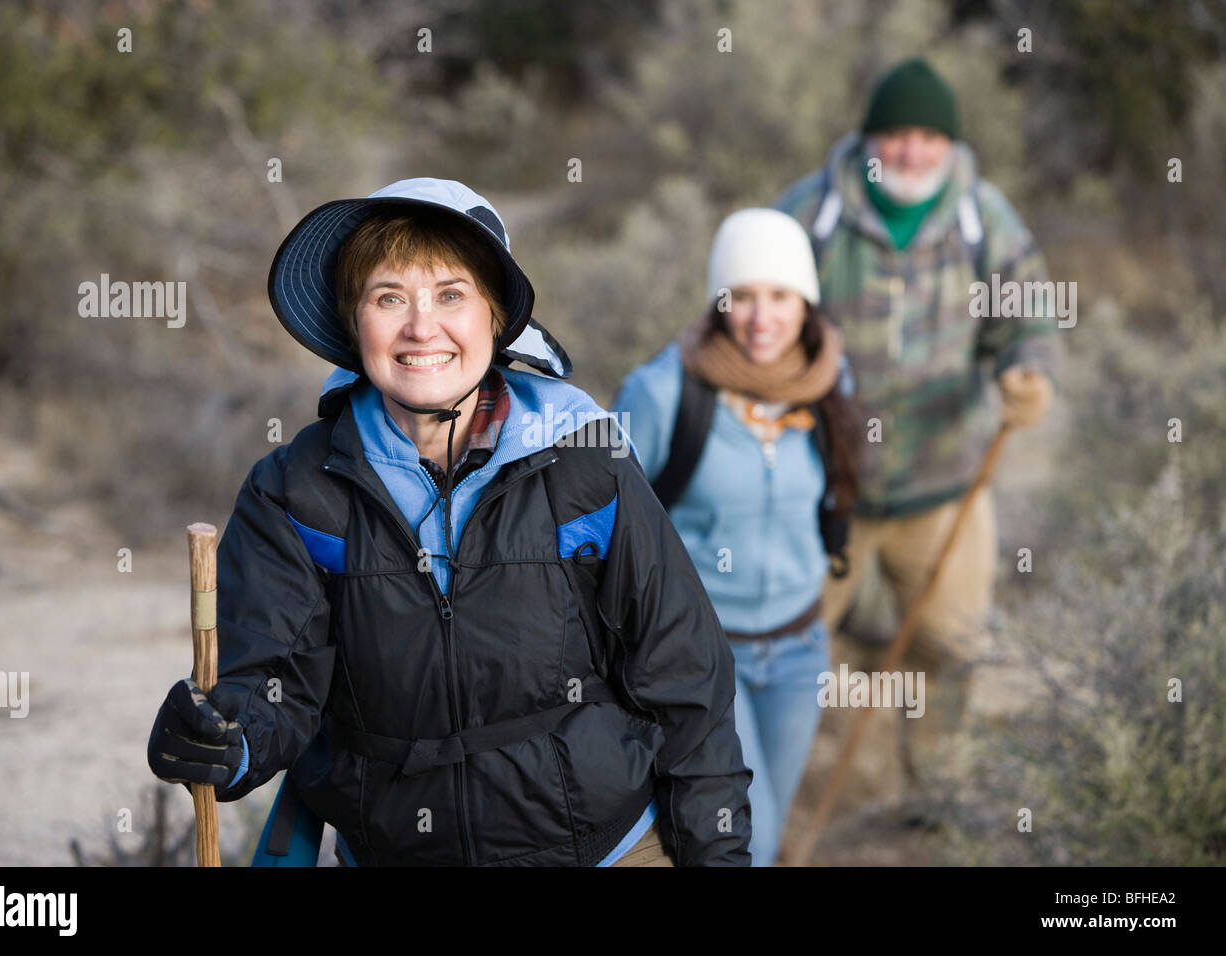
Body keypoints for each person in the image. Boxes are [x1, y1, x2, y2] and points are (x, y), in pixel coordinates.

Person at [146, 177, 752, 866]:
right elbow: (275, 681)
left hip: (608, 849)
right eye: (388, 297)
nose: (420, 327)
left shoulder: (587, 465)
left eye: (451, 294)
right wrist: (228, 734)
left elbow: (686, 681)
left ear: (495, 317)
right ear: (353, 323)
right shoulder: (294, 491)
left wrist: (717, 854)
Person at [772, 57, 1063, 784]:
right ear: (870, 139)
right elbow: (752, 321)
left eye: (928, 138)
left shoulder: (981, 217)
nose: (911, 153)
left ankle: (938, 796)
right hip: (822, 488)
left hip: (945, 490)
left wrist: (1027, 370)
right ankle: (783, 793)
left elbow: (1027, 313)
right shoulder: (810, 215)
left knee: (951, 644)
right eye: (896, 135)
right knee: (785, 645)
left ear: (951, 145)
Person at [613, 208, 859, 866]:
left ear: (804, 302)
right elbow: (603, 522)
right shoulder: (663, 391)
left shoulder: (831, 380)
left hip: (801, 645)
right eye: (741, 295)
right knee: (749, 835)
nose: (760, 317)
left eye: (779, 296)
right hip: (699, 658)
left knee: (767, 819)